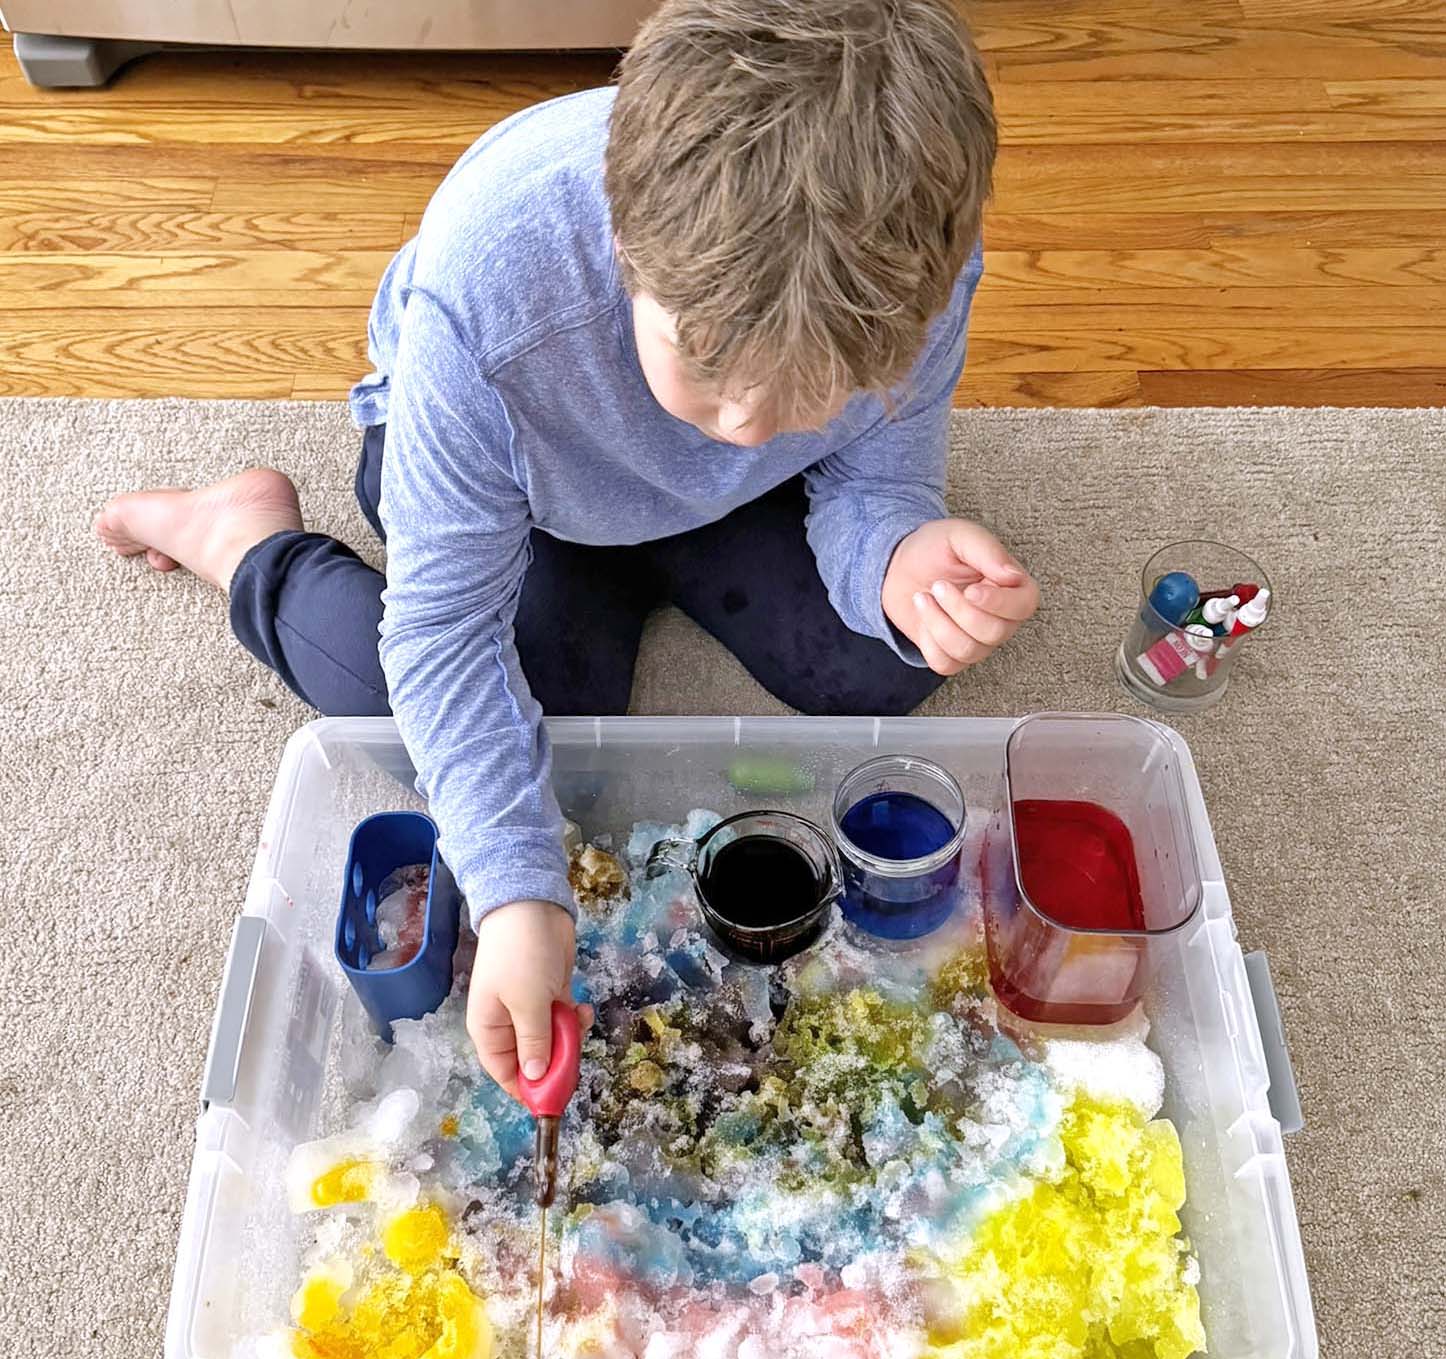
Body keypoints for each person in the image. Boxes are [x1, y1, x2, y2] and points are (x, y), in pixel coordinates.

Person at [94, 0, 1038, 1101]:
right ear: (627, 243)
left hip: (716, 501)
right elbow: (444, 636)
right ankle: (246, 540)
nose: (741, 422)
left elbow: (872, 473)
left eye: (808, 389)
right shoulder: (491, 289)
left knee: (886, 659)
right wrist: (514, 897)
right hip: (513, 475)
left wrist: (897, 553)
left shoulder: (912, 265)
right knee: (498, 756)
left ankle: (698, 503)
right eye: (710, 366)